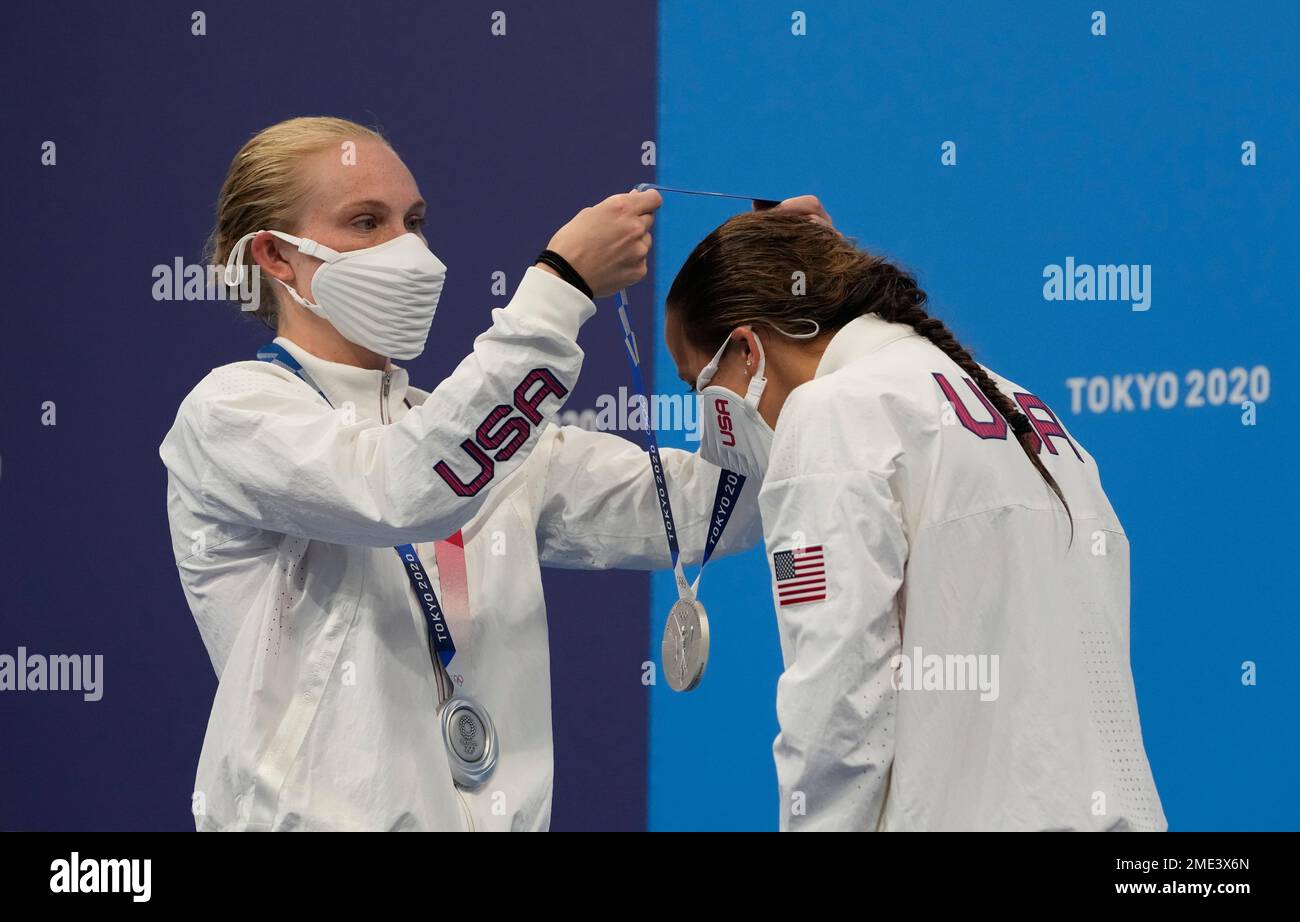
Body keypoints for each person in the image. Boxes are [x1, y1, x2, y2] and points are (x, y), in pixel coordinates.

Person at [664, 211, 1167, 831]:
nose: (708, 422)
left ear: (745, 348)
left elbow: (837, 703)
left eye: (699, 387)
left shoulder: (831, 413)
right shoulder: (1037, 419)